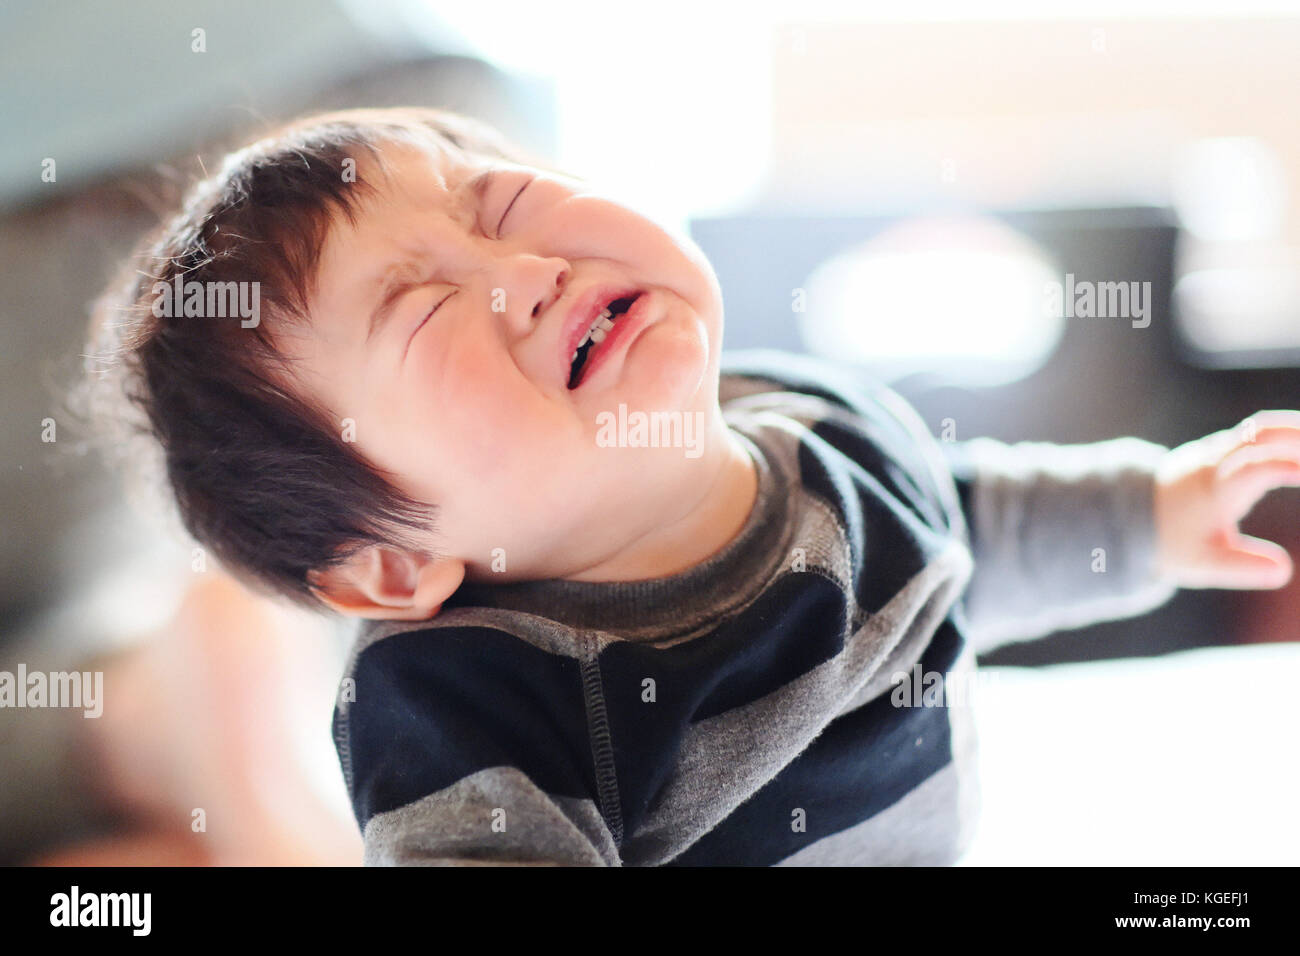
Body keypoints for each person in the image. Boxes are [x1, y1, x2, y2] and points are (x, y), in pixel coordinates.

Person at [86, 107, 1300, 865]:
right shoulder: (474, 697)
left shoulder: (816, 421)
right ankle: (197, 735)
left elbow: (959, 525)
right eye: (430, 306)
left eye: (501, 201)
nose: (526, 266)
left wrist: (1150, 515)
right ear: (394, 566)